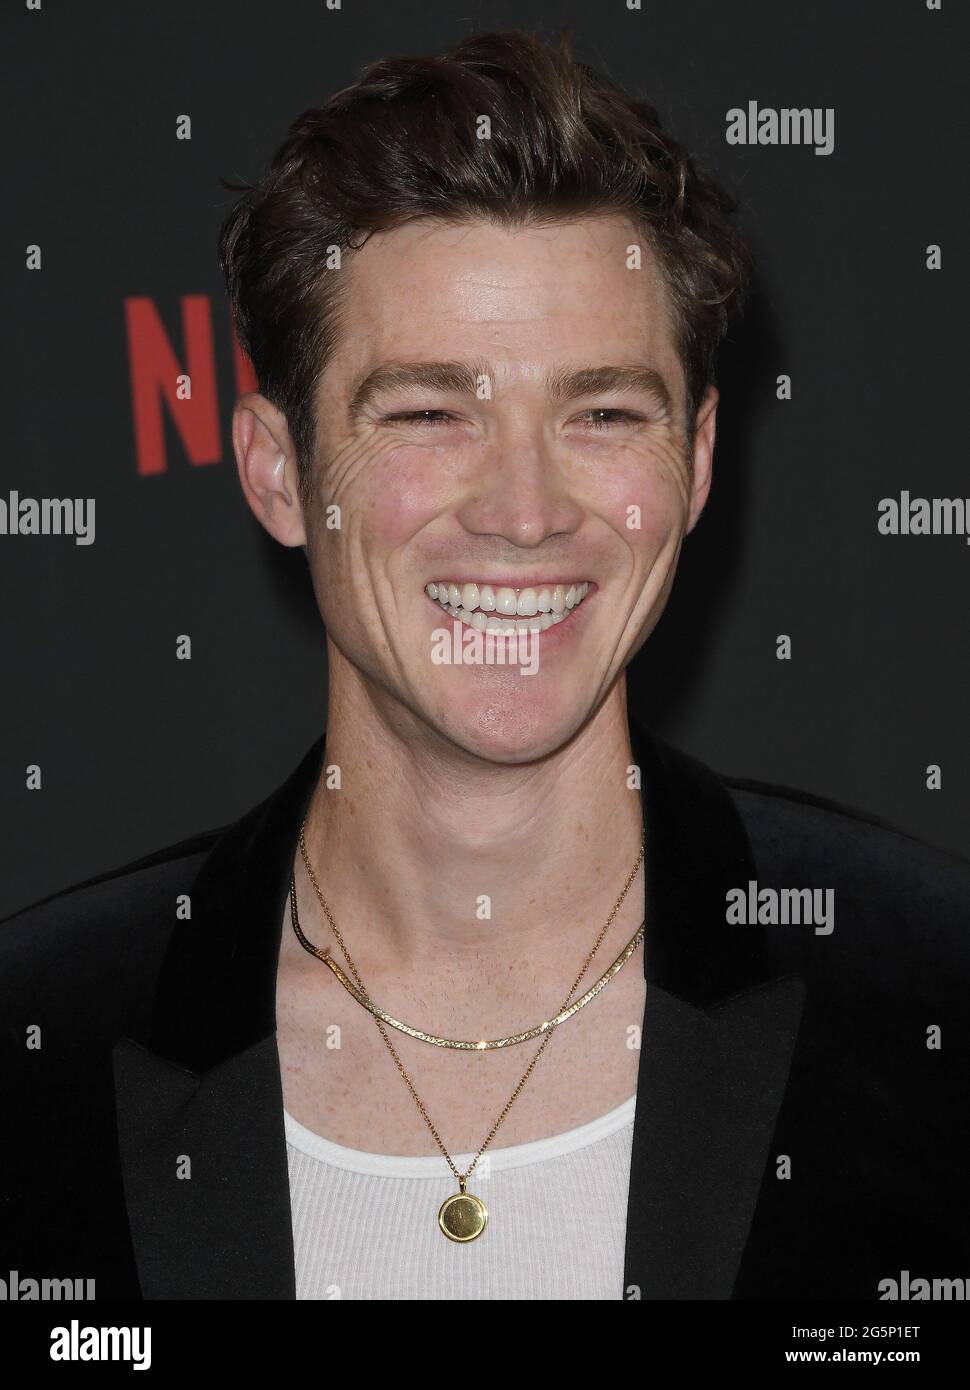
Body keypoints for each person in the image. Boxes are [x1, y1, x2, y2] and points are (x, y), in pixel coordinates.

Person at [1, 27, 967, 1303]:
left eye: (602, 413)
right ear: (277, 470)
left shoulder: (927, 1001)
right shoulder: (40, 1050)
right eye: (427, 413)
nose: (524, 508)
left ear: (697, 461)